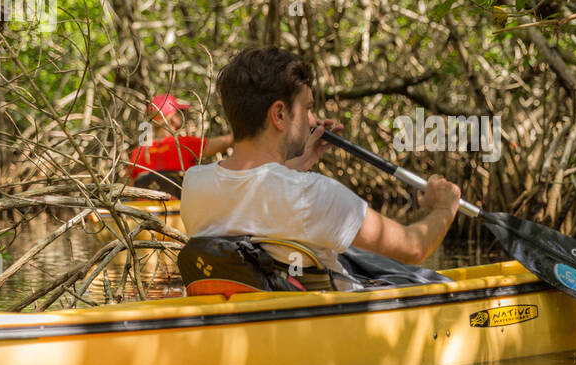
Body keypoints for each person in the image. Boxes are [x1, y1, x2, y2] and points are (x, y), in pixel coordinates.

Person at [180, 47, 460, 279]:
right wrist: (445, 207)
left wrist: (298, 164)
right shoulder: (314, 195)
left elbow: (256, 199)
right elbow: (413, 248)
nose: (313, 121)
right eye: (308, 108)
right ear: (279, 114)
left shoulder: (194, 183)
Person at [127, 93, 234, 194]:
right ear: (173, 118)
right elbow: (226, 142)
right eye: (179, 112)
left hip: (143, 212)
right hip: (179, 211)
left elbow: (130, 190)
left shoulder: (138, 153)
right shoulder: (185, 144)